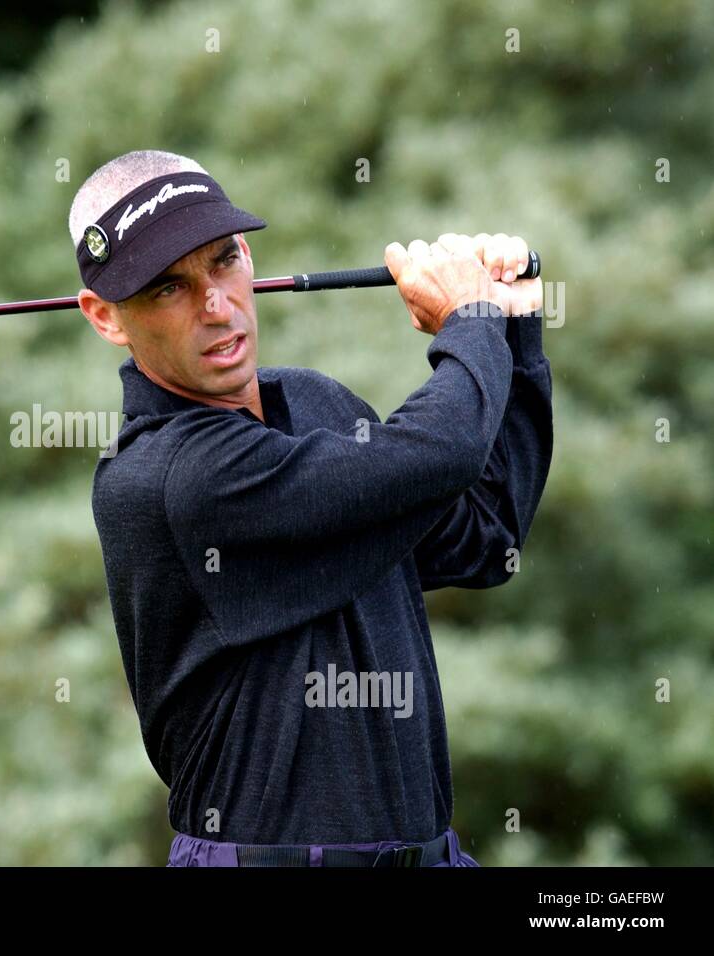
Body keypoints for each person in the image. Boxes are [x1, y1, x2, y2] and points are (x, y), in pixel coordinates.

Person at [72, 149, 552, 867]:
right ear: (106, 317)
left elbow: (485, 535)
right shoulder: (173, 478)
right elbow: (442, 450)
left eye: (224, 260)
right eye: (169, 286)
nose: (215, 303)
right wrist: (469, 321)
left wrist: (513, 331)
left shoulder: (315, 403)